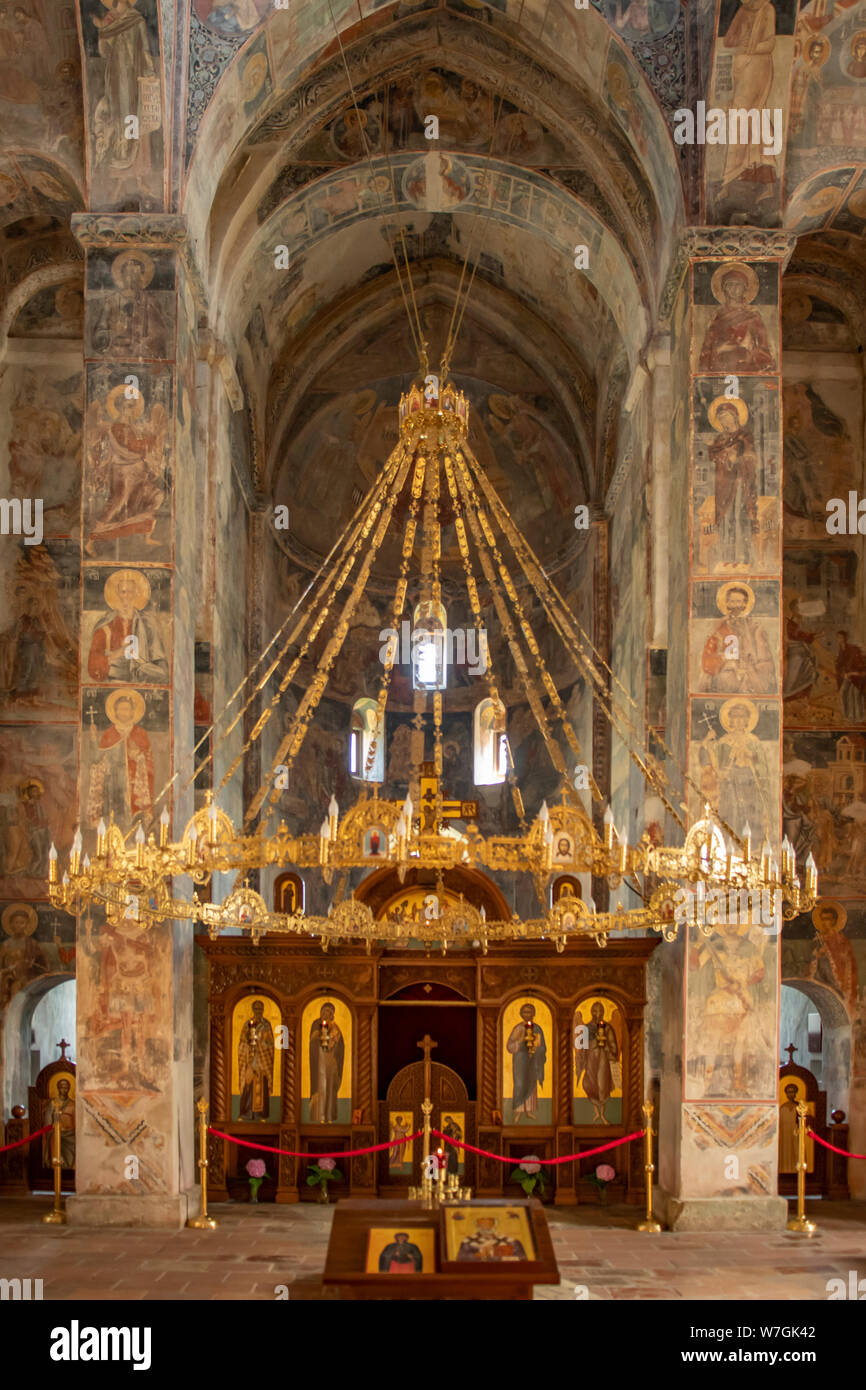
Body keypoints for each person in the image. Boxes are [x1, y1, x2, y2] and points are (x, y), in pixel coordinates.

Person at [87, 570, 168, 684]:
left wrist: (142, 665)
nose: (127, 596)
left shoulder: (147, 625)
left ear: (136, 593)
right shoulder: (105, 628)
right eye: (123, 592)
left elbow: (162, 669)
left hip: (142, 684)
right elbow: (93, 669)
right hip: (115, 684)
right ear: (117, 593)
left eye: (130, 592)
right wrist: (116, 654)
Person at [707, 399, 758, 569]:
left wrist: (737, 457)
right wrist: (724, 454)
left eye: (726, 417)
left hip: (740, 482)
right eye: (721, 419)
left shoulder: (745, 436)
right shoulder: (720, 439)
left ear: (735, 417)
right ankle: (726, 556)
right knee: (725, 518)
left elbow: (750, 456)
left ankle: (743, 557)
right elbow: (713, 454)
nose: (724, 422)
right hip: (724, 484)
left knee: (739, 517)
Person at [699, 267, 775, 374]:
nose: (733, 289)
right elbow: (707, 349)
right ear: (724, 289)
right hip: (721, 367)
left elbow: (763, 348)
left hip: (746, 367)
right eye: (729, 284)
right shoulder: (717, 316)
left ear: (745, 288)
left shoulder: (752, 315)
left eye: (738, 284)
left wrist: (750, 349)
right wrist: (720, 349)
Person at [701, 584, 775, 693]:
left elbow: (765, 660)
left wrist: (752, 667)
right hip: (727, 673)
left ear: (745, 604)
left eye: (739, 602)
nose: (736, 606)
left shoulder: (755, 628)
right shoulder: (719, 627)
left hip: (750, 672)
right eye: (732, 601)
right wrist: (725, 659)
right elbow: (708, 660)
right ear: (727, 603)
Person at [575, 1001, 619, 1124]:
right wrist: (593, 1043)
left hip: (603, 1060)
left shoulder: (608, 1028)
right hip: (590, 1061)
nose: (598, 1013)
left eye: (600, 1010)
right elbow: (581, 1048)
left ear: (604, 1012)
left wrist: (605, 1045)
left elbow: (614, 1048)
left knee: (602, 1084)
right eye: (595, 1010)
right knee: (592, 1084)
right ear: (591, 1011)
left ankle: (603, 1115)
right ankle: (596, 1113)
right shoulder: (586, 1029)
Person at [506, 1002, 546, 1121]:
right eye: (525, 1012)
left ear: (533, 1013)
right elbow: (509, 1046)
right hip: (520, 1059)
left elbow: (543, 1046)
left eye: (529, 1012)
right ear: (521, 1014)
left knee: (531, 1083)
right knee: (519, 1083)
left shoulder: (537, 1028)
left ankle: (528, 1110)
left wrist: (537, 1047)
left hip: (533, 1059)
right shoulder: (518, 1028)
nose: (527, 1014)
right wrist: (521, 1040)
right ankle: (518, 1111)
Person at [238, 999, 275, 1121]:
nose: (258, 1011)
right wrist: (249, 1042)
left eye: (260, 1009)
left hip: (262, 1061)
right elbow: (242, 1042)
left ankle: (261, 1115)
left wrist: (262, 1043)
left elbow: (270, 1044)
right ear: (253, 1010)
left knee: (262, 1086)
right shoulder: (247, 1024)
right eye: (256, 1009)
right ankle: (246, 1113)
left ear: (263, 1010)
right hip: (250, 1059)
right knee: (248, 1086)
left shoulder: (266, 1025)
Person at [309, 1001, 344, 1123]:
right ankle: (319, 1116)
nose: (326, 1014)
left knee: (330, 1088)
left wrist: (334, 1042)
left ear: (332, 1015)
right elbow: (312, 1042)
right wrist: (318, 1036)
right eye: (324, 1012)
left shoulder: (335, 1028)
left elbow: (340, 1048)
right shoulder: (315, 1025)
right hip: (319, 1062)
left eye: (329, 1012)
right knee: (320, 1087)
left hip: (331, 1063)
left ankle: (330, 1116)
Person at [456, 1215, 528, 1261]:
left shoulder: (510, 1241)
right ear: (477, 1225)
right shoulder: (468, 1242)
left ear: (495, 1225)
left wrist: (494, 1254)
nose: (485, 1226)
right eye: (482, 1224)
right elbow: (461, 1259)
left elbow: (522, 1259)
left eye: (488, 1222)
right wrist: (477, 1255)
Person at [42, 1077, 75, 1168]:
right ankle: (55, 1166)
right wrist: (52, 1129)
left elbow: (76, 1123)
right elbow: (48, 1121)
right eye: (61, 1087)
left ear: (69, 1088)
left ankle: (68, 1167)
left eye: (66, 1087)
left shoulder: (73, 1104)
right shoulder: (52, 1103)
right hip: (55, 1132)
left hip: (70, 1134)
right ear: (58, 1088)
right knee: (55, 1138)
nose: (64, 1090)